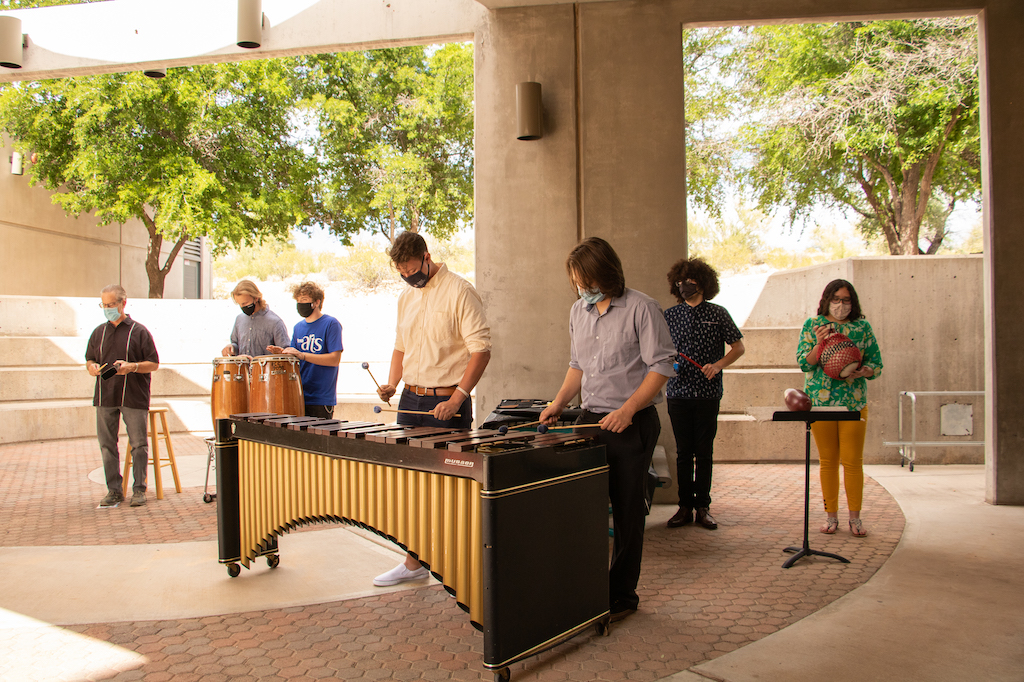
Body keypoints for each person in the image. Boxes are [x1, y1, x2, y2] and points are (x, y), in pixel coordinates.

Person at [539, 237, 676, 622]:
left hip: (632, 423)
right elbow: (577, 367)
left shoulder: (642, 308)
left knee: (628, 512)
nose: (583, 289)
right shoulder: (577, 312)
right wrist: (558, 403)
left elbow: (662, 366)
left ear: (608, 274)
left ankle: (622, 596)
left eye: (588, 281)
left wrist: (629, 409)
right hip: (592, 419)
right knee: (583, 507)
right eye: (577, 283)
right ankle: (587, 587)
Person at [372, 231, 491, 587]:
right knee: (410, 483)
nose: (409, 277)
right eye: (402, 272)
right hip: (410, 400)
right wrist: (392, 383)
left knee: (451, 487)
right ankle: (414, 561)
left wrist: (457, 397)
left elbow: (481, 349)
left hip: (447, 401)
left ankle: (460, 563)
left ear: (427, 256)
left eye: (412, 269)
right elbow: (399, 347)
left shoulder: (460, 290)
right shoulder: (405, 297)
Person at [796, 279, 883, 537]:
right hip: (820, 404)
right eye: (836, 299)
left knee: (853, 462)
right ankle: (830, 516)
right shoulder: (813, 326)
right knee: (828, 462)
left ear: (852, 303)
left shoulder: (862, 327)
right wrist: (819, 344)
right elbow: (805, 363)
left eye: (846, 300)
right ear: (826, 300)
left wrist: (867, 371)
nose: (841, 305)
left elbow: (876, 364)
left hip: (853, 403)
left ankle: (855, 518)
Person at [664, 258, 745, 531]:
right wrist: (669, 365)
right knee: (683, 453)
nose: (684, 286)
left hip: (709, 393)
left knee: (704, 452)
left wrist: (718, 365)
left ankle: (703, 507)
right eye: (680, 282)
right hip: (677, 393)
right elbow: (660, 352)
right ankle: (684, 507)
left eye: (690, 280)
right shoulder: (670, 316)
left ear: (703, 282)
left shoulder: (718, 313)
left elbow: (738, 348)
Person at [84, 285, 160, 508]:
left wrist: (133, 366)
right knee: (107, 444)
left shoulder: (139, 331)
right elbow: (89, 359)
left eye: (111, 305)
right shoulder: (99, 332)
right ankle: (114, 490)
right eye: (104, 305)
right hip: (105, 396)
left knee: (138, 444)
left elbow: (153, 363)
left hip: (133, 396)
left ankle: (139, 490)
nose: (107, 309)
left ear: (123, 303)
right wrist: (92, 367)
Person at [268, 281, 343, 419]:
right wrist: (283, 354)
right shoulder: (298, 327)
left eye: (304, 300)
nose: (300, 304)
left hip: (321, 397)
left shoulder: (331, 324)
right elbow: (295, 358)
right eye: (298, 301)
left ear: (316, 302)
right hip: (300, 393)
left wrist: (302, 355)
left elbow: (334, 359)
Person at [221, 279, 289, 358]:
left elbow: (286, 353)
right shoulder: (239, 319)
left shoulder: (275, 322)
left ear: (256, 298)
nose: (243, 307)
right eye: (240, 304)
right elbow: (235, 343)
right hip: (243, 369)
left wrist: (280, 352)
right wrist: (231, 347)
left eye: (245, 303)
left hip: (265, 369)